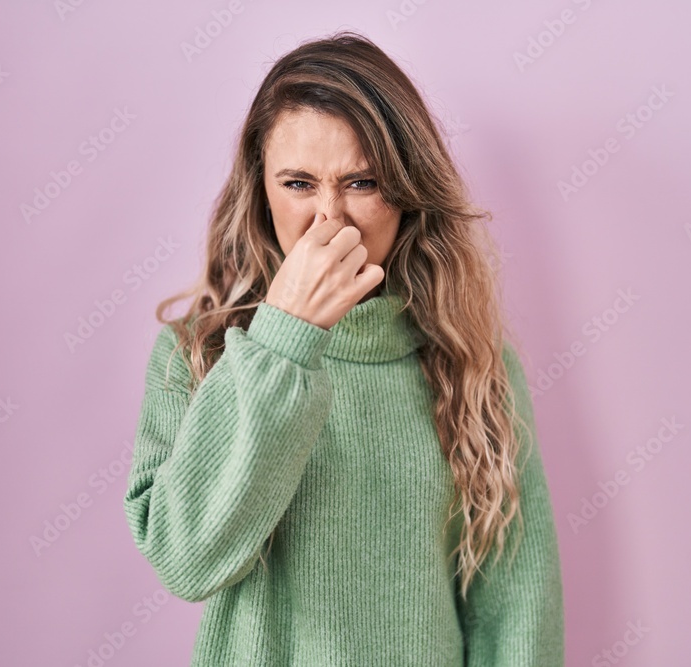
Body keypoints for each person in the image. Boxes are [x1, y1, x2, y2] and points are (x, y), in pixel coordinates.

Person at [123, 30, 564, 666]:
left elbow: (518, 612)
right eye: (298, 183)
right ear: (261, 189)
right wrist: (284, 338)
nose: (330, 219)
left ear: (408, 193)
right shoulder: (198, 352)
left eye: (361, 182)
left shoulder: (471, 364)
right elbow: (186, 560)